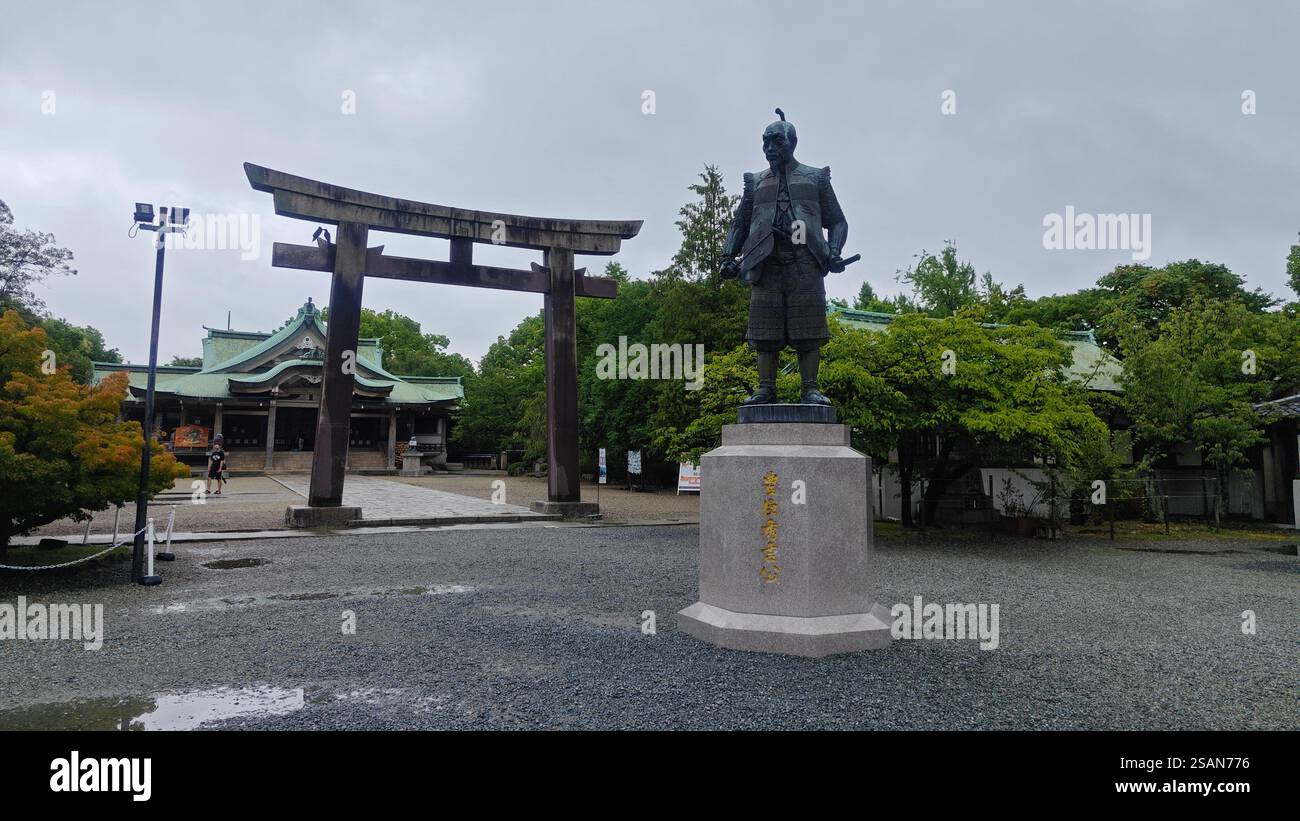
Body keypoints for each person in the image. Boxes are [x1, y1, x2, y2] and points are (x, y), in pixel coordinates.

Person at [720, 108, 849, 406]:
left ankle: (810, 389)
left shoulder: (816, 178)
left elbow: (838, 221)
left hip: (805, 261)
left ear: (792, 143)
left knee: (808, 329)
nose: (769, 149)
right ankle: (766, 388)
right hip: (765, 262)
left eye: (776, 142)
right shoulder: (755, 182)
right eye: (765, 142)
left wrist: (834, 251)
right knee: (765, 331)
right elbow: (739, 223)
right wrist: (729, 255)